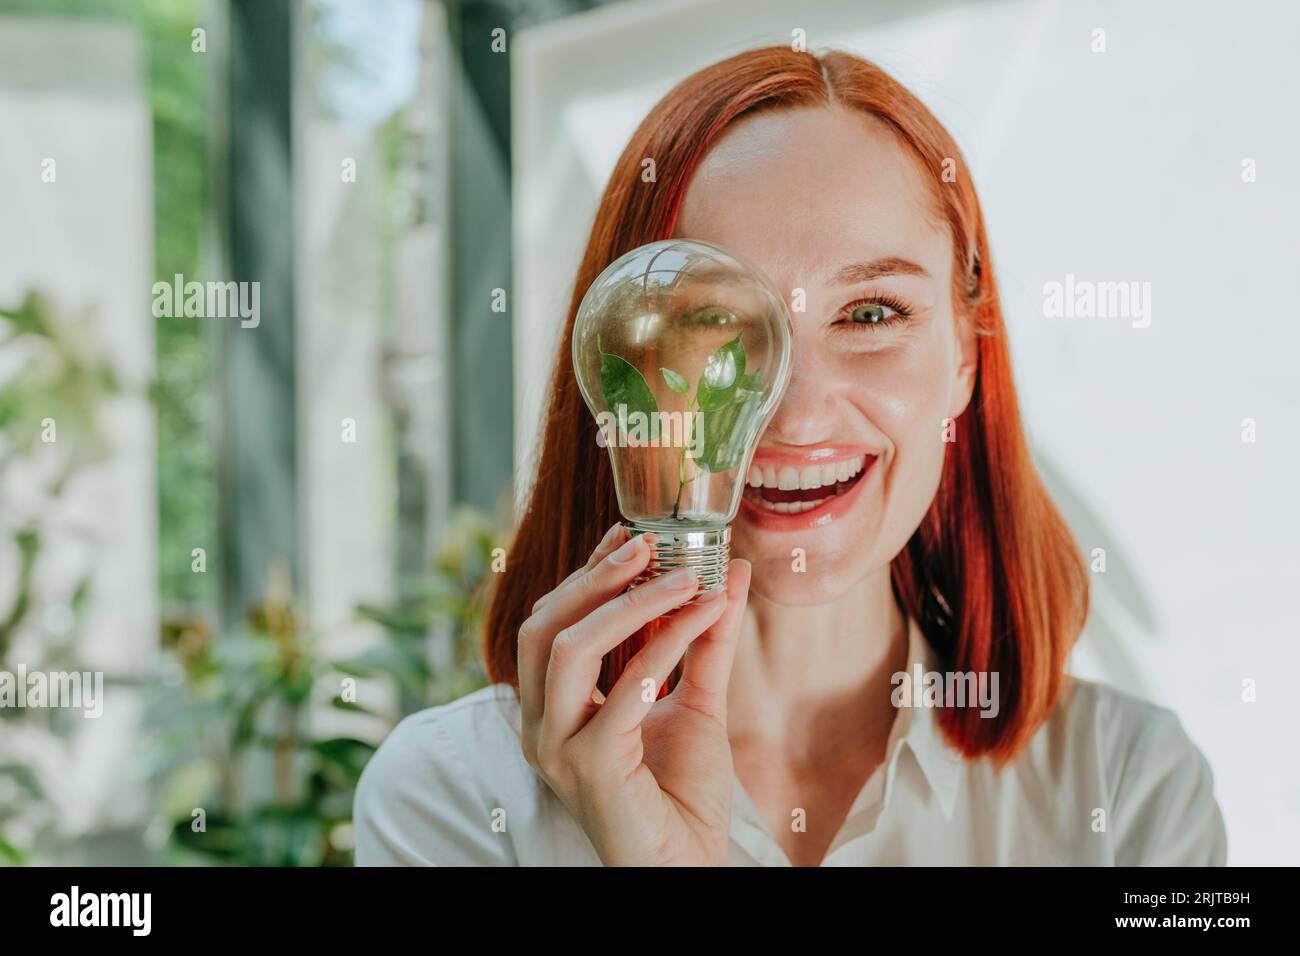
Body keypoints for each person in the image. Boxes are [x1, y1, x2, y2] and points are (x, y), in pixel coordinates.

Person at [353, 46, 1226, 867]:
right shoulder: (453, 796)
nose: (796, 414)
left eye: (872, 314)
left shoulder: (1132, 791)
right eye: (713, 320)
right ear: (622, 362)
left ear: (965, 356)